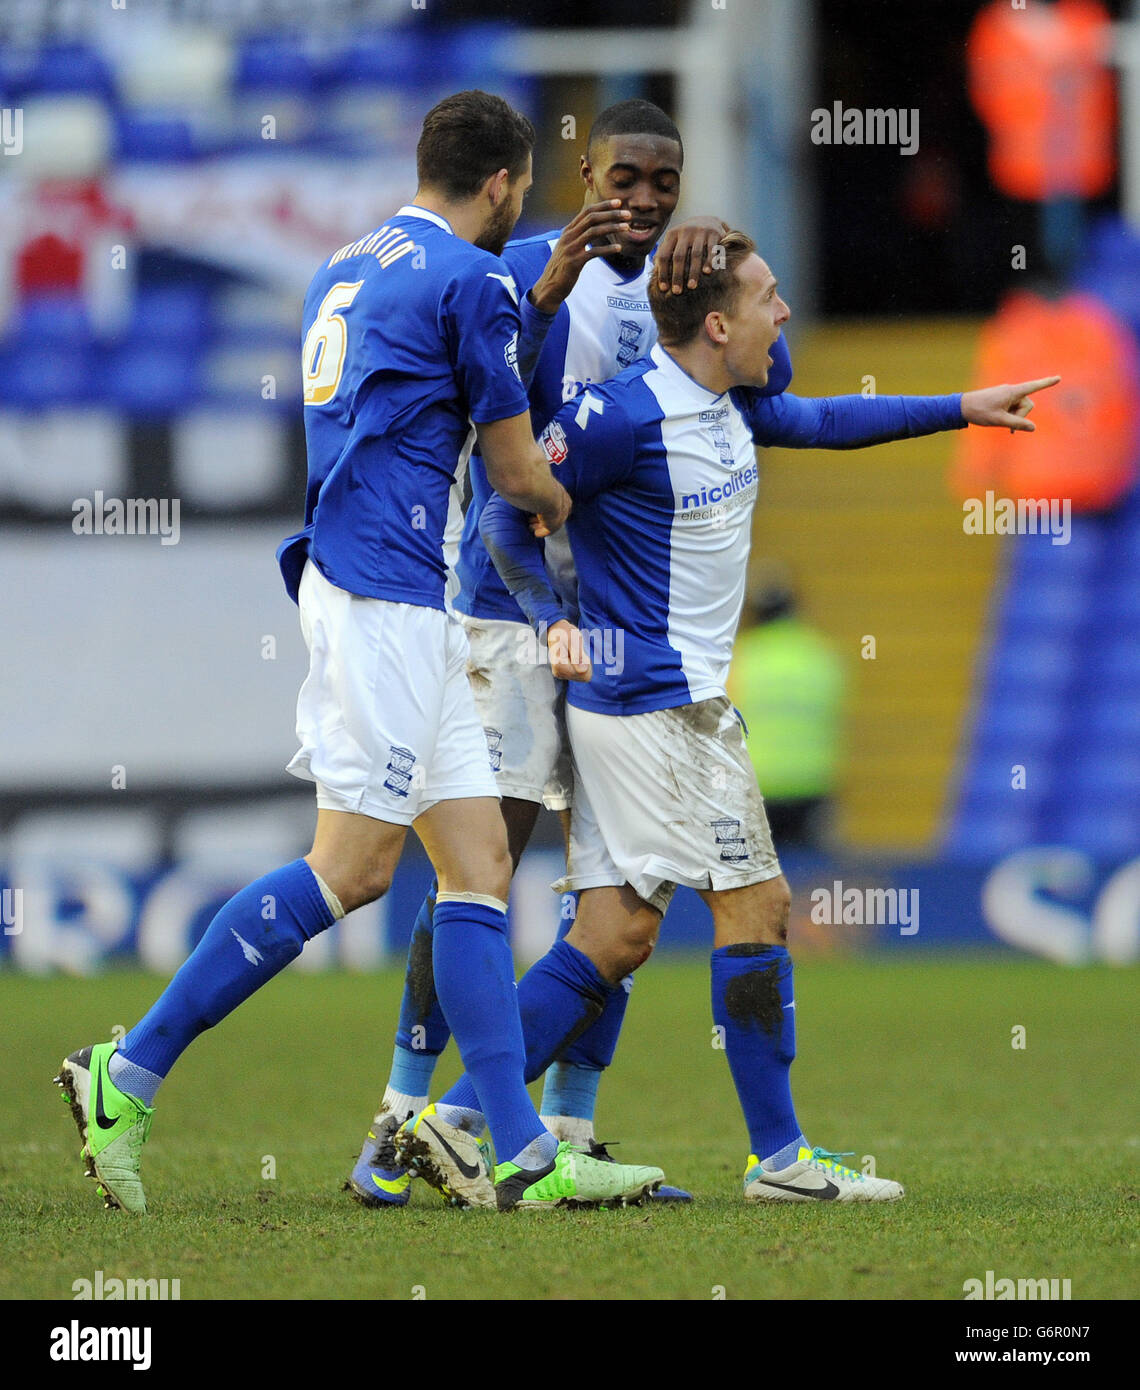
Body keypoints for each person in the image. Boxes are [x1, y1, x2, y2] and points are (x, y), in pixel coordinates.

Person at [53, 90, 663, 1216]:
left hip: (390, 594)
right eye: (520, 192)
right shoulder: (474, 278)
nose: (517, 208)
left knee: (478, 864)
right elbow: (518, 470)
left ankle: (521, 1150)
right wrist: (609, 488)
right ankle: (124, 1072)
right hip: (381, 595)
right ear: (502, 185)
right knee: (354, 869)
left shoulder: (346, 262)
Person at [446, 229, 1057, 1204]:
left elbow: (826, 420)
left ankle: (454, 1123)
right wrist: (554, 620)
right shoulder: (624, 414)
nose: (785, 313)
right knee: (758, 906)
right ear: (719, 322)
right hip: (659, 710)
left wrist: (960, 409)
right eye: (769, 297)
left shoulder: (733, 405)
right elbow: (502, 511)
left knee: (615, 933)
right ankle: (779, 1159)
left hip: (665, 708)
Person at [347, 99, 792, 1208]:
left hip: (620, 634)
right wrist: (543, 303)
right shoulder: (528, 266)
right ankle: (402, 1117)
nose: (642, 200)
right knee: (478, 872)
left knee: (616, 884)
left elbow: (770, 382)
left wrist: (726, 256)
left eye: (665, 183)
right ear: (583, 172)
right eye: (623, 177)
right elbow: (480, 402)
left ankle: (570, 1127)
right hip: (508, 612)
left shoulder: (684, 285)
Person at [726, 581, 845, 850]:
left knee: (757, 881)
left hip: (753, 788)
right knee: (806, 877)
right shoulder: (822, 656)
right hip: (811, 783)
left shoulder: (739, 658)